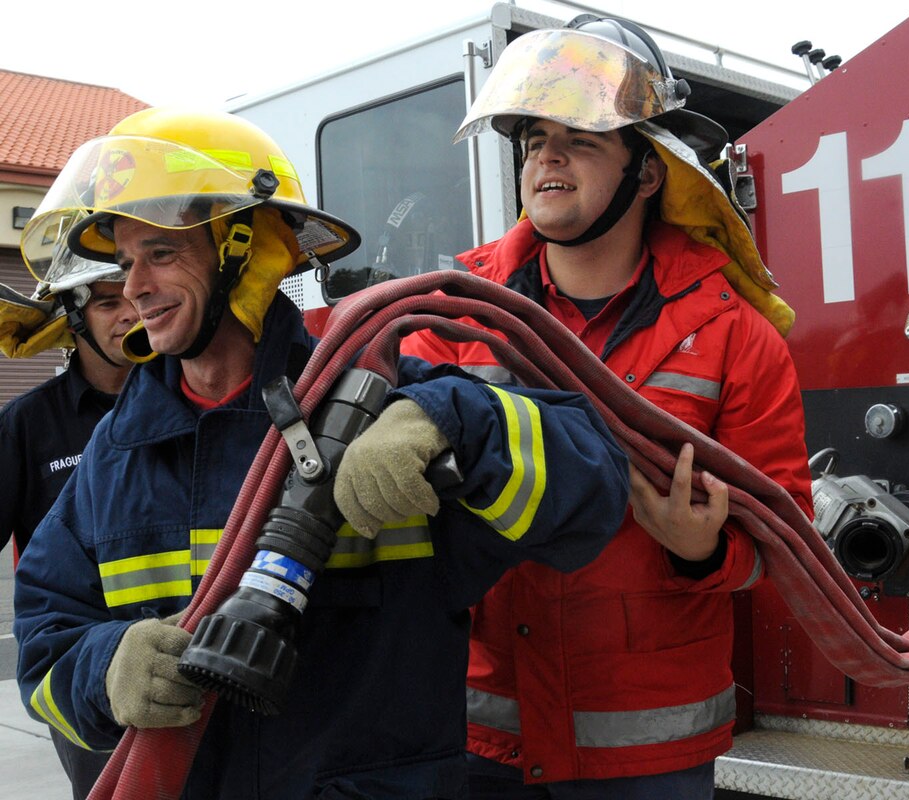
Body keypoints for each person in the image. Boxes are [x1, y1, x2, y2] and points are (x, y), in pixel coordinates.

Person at [13, 107, 631, 799]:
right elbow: (44, 633)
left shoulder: (382, 406)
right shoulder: (117, 455)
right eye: (126, 262)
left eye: (161, 253)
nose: (132, 288)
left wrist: (450, 423)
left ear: (245, 252)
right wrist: (106, 668)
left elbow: (595, 484)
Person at [403, 15, 813, 798]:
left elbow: (782, 534)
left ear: (647, 171)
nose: (546, 157)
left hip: (644, 756)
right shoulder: (456, 312)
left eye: (580, 138)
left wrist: (699, 550)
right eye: (533, 140)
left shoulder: (736, 336)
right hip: (482, 728)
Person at [0, 251, 136, 800]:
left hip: (186, 652)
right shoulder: (28, 423)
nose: (131, 311)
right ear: (75, 319)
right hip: (85, 668)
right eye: (108, 302)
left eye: (134, 296)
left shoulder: (189, 402)